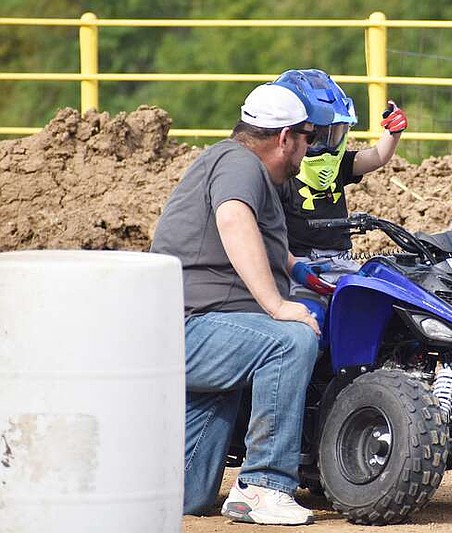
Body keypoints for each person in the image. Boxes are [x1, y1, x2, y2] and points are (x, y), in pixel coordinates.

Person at [150, 80, 334, 525]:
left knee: (186, 495)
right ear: (285, 138)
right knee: (289, 341)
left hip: (209, 330)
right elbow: (233, 219)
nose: (310, 149)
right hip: (191, 329)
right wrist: (277, 306)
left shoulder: (247, 170)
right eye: (308, 138)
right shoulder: (239, 163)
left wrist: (303, 273)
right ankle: (264, 486)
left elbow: (265, 244)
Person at [272, 69, 408, 294]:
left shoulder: (338, 165)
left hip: (341, 261)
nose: (325, 146)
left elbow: (376, 157)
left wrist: (393, 133)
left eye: (334, 134)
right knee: (309, 308)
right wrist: (294, 267)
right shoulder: (280, 175)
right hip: (297, 263)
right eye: (316, 137)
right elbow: (267, 234)